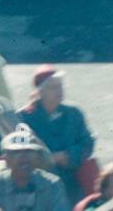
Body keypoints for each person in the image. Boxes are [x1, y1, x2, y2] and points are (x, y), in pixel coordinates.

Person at [16, 65, 95, 202]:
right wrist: (49, 158)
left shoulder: (74, 113)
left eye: (60, 86)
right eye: (53, 87)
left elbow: (87, 143)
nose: (59, 91)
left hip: (72, 179)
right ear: (40, 91)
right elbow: (18, 151)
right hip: (38, 181)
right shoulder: (24, 117)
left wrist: (67, 155)